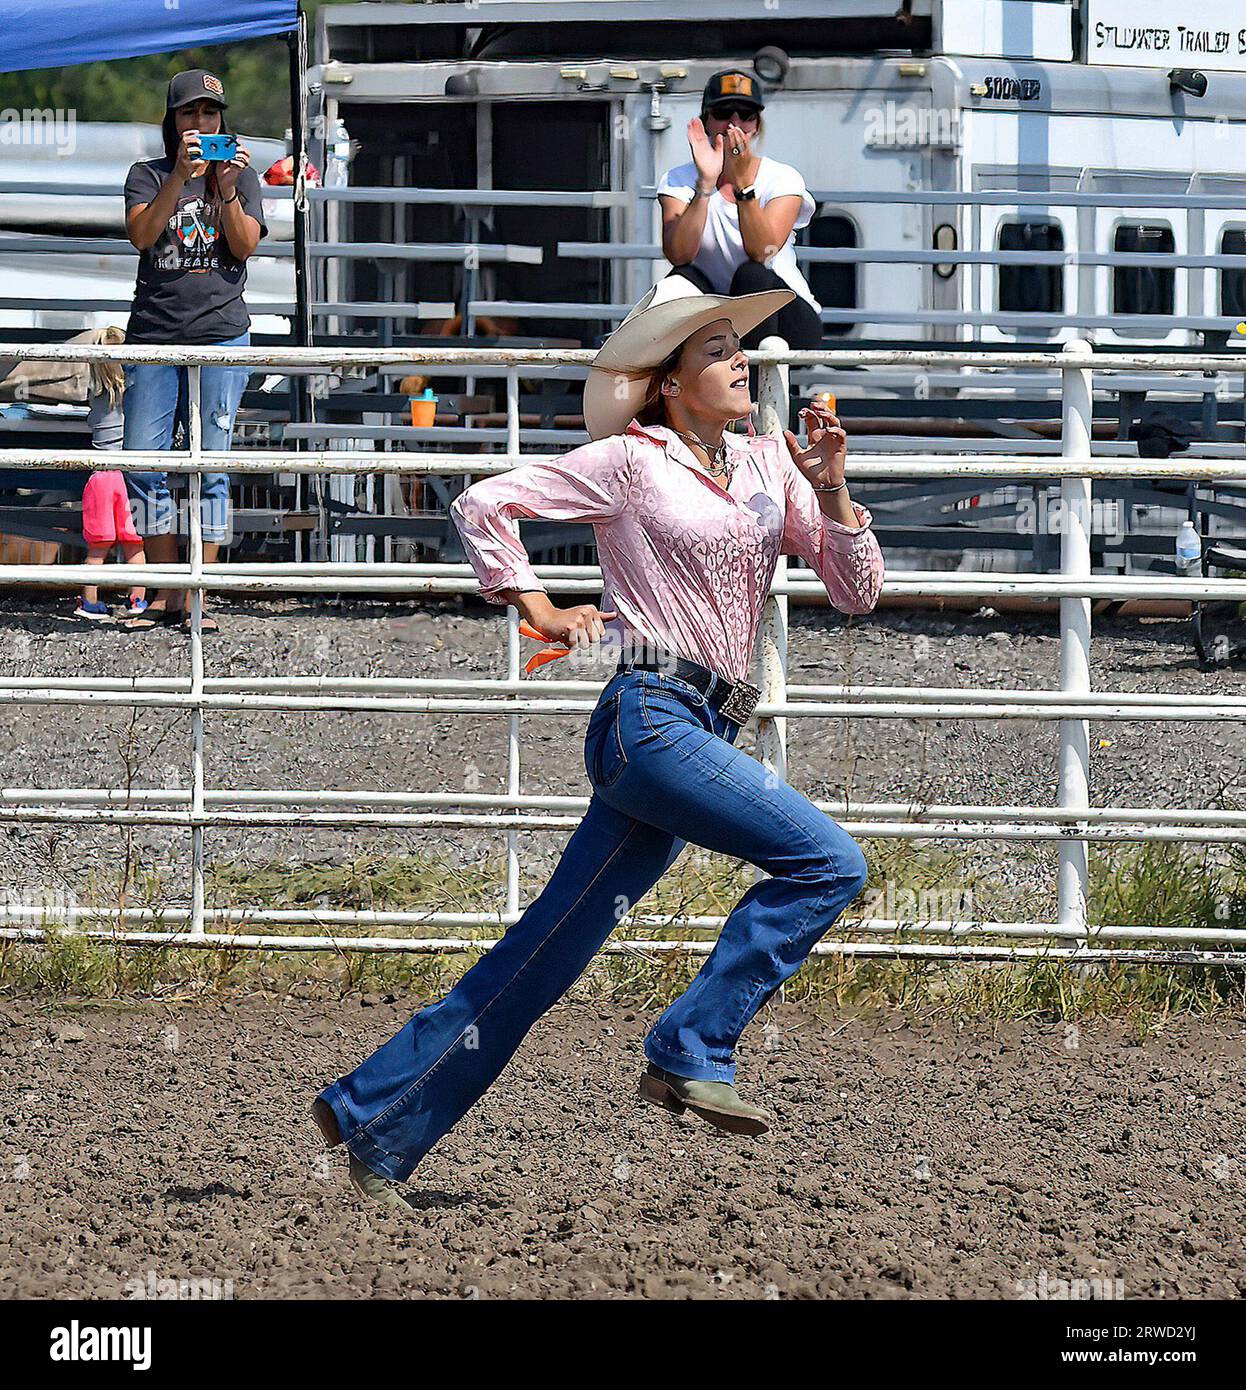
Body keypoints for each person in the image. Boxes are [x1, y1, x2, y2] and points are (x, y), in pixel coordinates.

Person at [311, 277, 884, 1211]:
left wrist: (831, 487)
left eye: (737, 346)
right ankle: (690, 1047)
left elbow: (858, 592)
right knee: (828, 863)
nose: (741, 360)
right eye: (717, 350)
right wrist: (534, 605)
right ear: (666, 381)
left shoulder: (773, 467)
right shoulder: (629, 462)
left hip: (689, 730)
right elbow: (483, 504)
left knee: (547, 952)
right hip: (650, 718)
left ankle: (377, 1116)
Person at [118, 69, 267, 633]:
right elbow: (141, 235)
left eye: (210, 114)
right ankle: (165, 588)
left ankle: (200, 591)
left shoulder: (240, 174)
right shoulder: (146, 174)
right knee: (142, 463)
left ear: (222, 119)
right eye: (190, 115)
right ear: (172, 122)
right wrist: (179, 178)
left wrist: (226, 188)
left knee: (212, 468)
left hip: (222, 332)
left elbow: (246, 245)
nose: (201, 125)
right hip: (154, 333)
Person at [657, 69, 823, 351]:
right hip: (718, 315)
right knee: (681, 279)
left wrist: (744, 186)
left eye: (746, 115)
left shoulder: (782, 178)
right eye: (723, 112)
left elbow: (762, 251)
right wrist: (706, 185)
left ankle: (756, 385)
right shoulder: (678, 180)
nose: (734, 123)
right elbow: (679, 254)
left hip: (785, 318)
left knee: (752, 275)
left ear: (756, 125)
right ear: (706, 121)